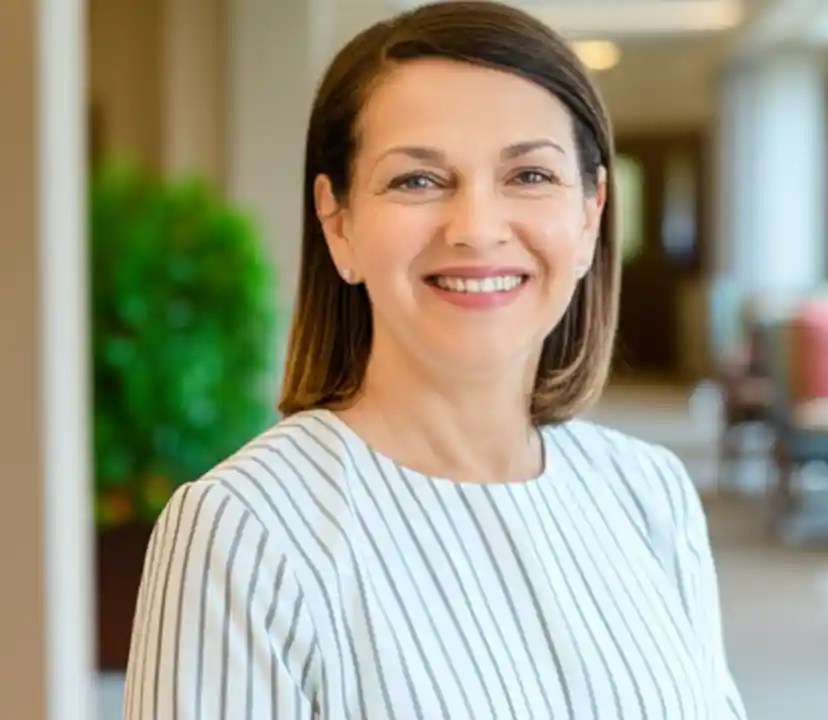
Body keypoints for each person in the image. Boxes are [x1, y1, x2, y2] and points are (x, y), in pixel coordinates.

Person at [122, 1, 747, 718]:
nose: (476, 229)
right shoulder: (245, 531)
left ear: (590, 213)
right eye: (417, 180)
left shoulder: (649, 495)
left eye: (530, 176)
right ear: (339, 223)